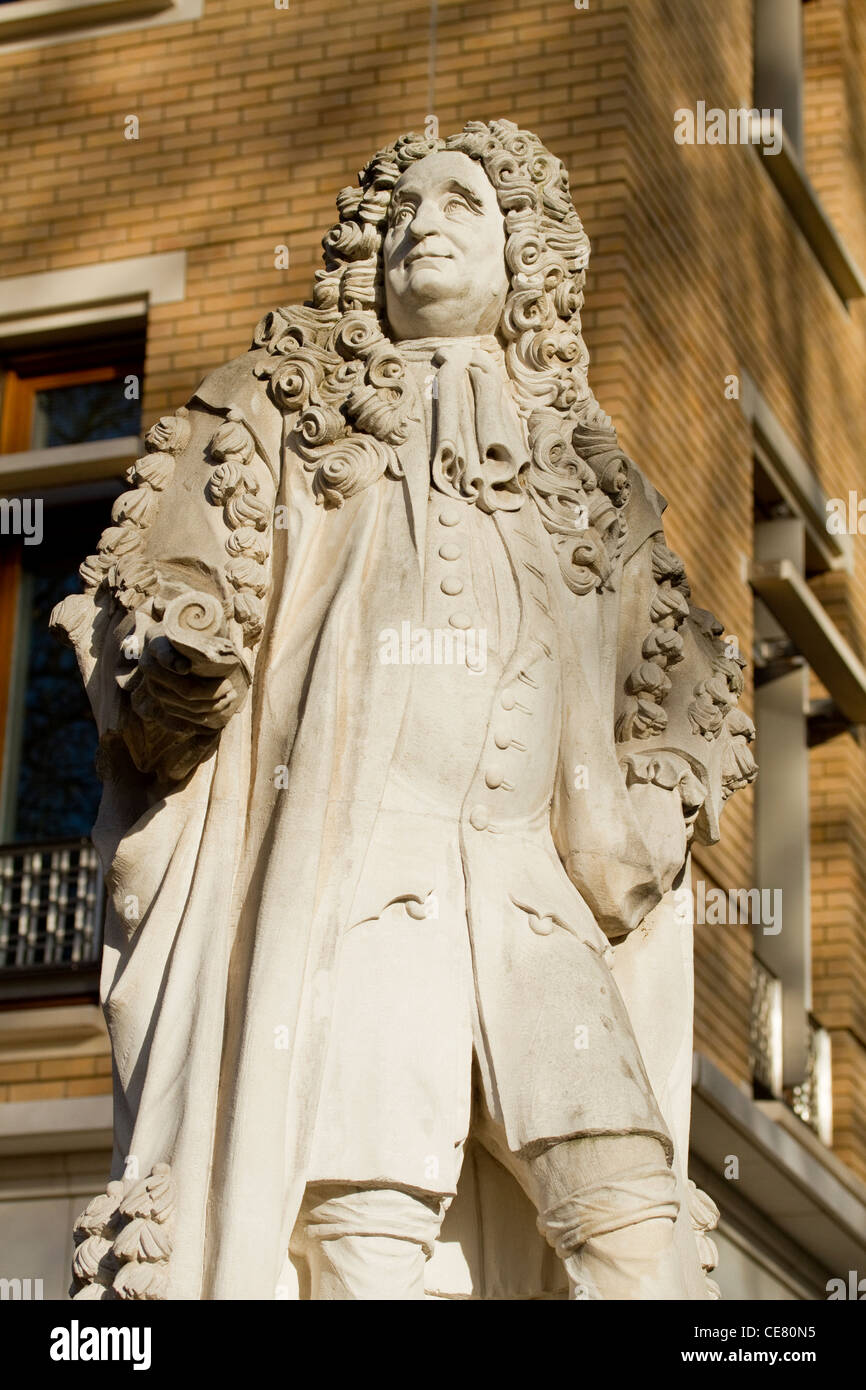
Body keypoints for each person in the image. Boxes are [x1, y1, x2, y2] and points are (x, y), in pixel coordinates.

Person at [56, 120, 755, 1301]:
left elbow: (680, 684)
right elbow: (163, 592)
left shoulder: (591, 476)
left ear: (522, 252)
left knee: (631, 1210)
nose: (420, 226)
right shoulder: (275, 415)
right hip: (359, 886)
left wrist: (658, 789)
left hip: (530, 896)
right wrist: (176, 659)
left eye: (460, 204)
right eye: (398, 215)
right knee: (362, 1218)